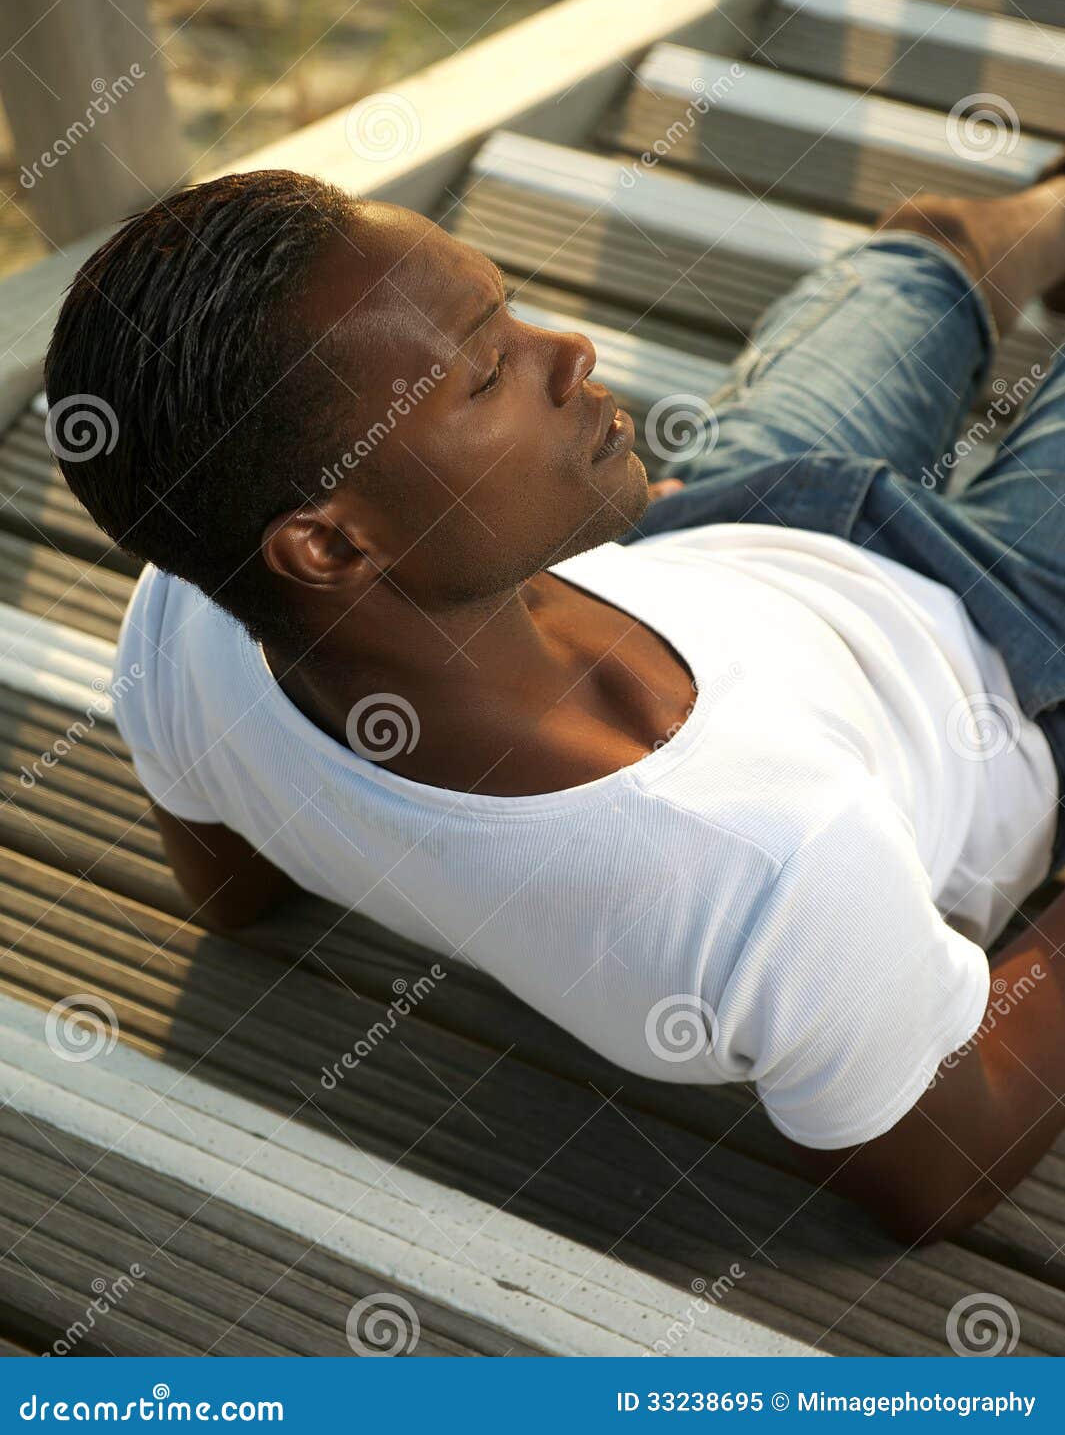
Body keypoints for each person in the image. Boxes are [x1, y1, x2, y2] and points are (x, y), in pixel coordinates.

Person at [42, 164, 1065, 1246]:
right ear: (330, 544)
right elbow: (951, 1165)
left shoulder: (184, 621)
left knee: (932, 244)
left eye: (508, 310)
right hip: (1009, 654)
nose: (571, 351)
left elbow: (234, 891)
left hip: (689, 535)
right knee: (929, 249)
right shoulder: (768, 866)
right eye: (489, 374)